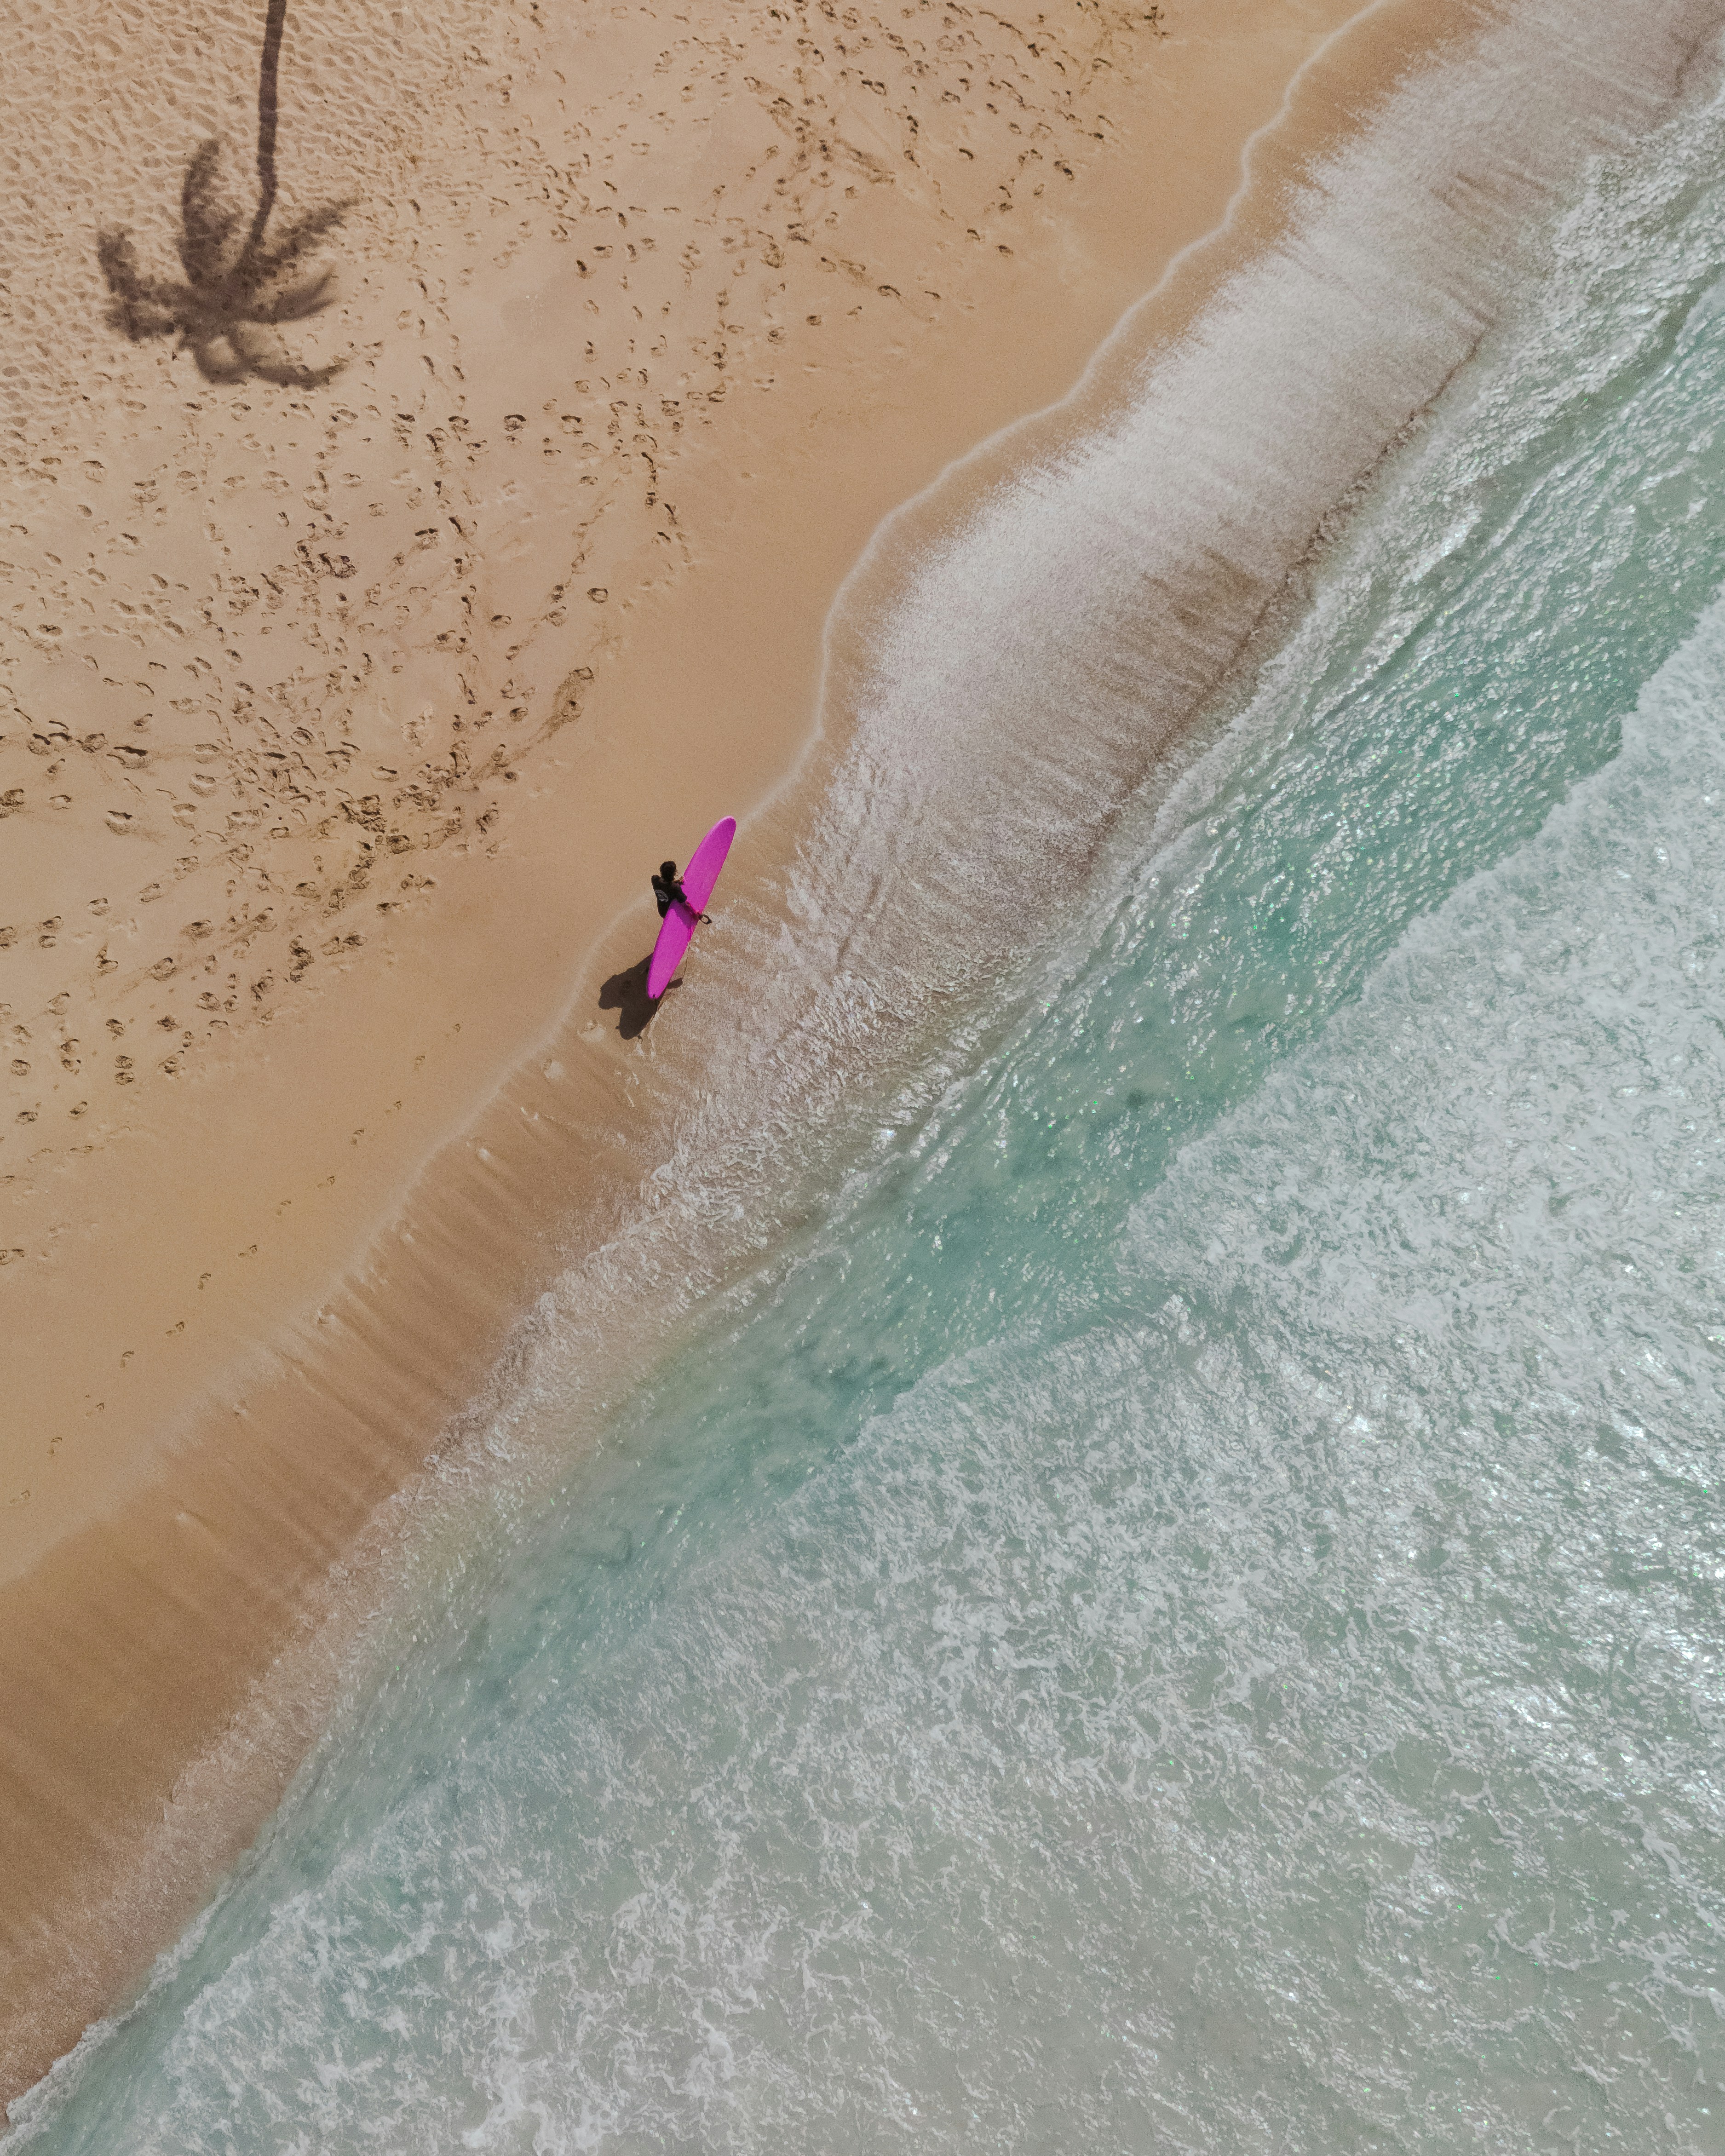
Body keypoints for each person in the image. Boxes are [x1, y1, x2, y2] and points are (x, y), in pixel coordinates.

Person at [651, 859, 710, 923]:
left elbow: (665, 886)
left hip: (662, 911)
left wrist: (676, 882)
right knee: (680, 901)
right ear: (674, 874)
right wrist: (695, 913)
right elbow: (686, 903)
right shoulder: (675, 888)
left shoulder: (655, 879)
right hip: (670, 914)